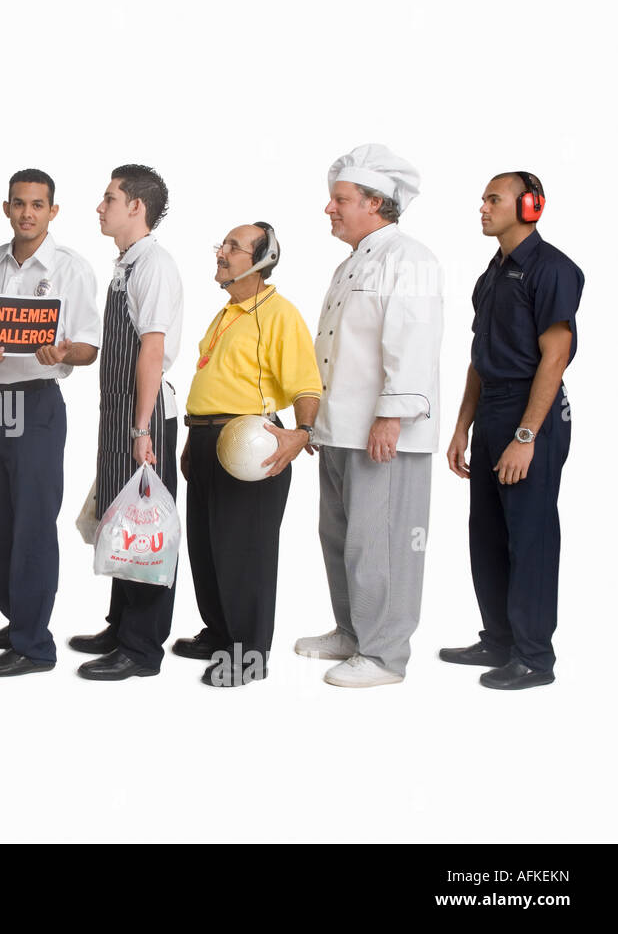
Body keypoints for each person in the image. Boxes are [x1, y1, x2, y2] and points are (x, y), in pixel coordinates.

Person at [294, 144, 443, 687]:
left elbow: (414, 343)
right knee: (339, 538)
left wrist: (392, 417)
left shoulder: (412, 259)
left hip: (384, 432)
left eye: (340, 200)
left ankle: (384, 655)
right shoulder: (351, 263)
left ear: (376, 202)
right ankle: (352, 632)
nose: (329, 209)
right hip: (340, 427)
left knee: (378, 542)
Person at [440, 171, 581, 690]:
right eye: (482, 198)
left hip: (532, 413)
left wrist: (526, 437)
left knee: (530, 536)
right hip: (494, 411)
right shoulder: (491, 275)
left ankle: (534, 657)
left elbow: (556, 355)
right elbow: (479, 357)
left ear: (530, 206)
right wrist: (462, 427)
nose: (482, 206)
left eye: (492, 199)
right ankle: (499, 640)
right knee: (488, 533)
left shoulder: (553, 269)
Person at [0, 169, 101, 677]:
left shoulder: (72, 268)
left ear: (53, 211)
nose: (27, 213)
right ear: (7, 208)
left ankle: (35, 646)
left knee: (33, 526)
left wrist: (64, 351)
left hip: (39, 402)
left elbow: (88, 345)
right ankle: (17, 619)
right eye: (19, 204)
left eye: (38, 205)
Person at [170, 222, 321, 686]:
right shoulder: (226, 314)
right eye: (223, 244)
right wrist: (193, 441)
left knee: (245, 555)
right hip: (207, 441)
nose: (222, 252)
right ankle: (220, 635)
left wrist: (303, 432)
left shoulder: (279, 314)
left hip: (250, 447)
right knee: (208, 548)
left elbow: (305, 384)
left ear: (261, 260)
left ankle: (249, 656)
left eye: (234, 247)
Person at [69, 165, 184, 680]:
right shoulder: (126, 265)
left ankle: (141, 649)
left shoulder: (154, 265)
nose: (100, 206)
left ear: (136, 207)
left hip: (146, 416)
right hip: (120, 416)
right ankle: (120, 626)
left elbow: (152, 352)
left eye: (109, 198)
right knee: (122, 522)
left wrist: (141, 430)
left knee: (146, 529)